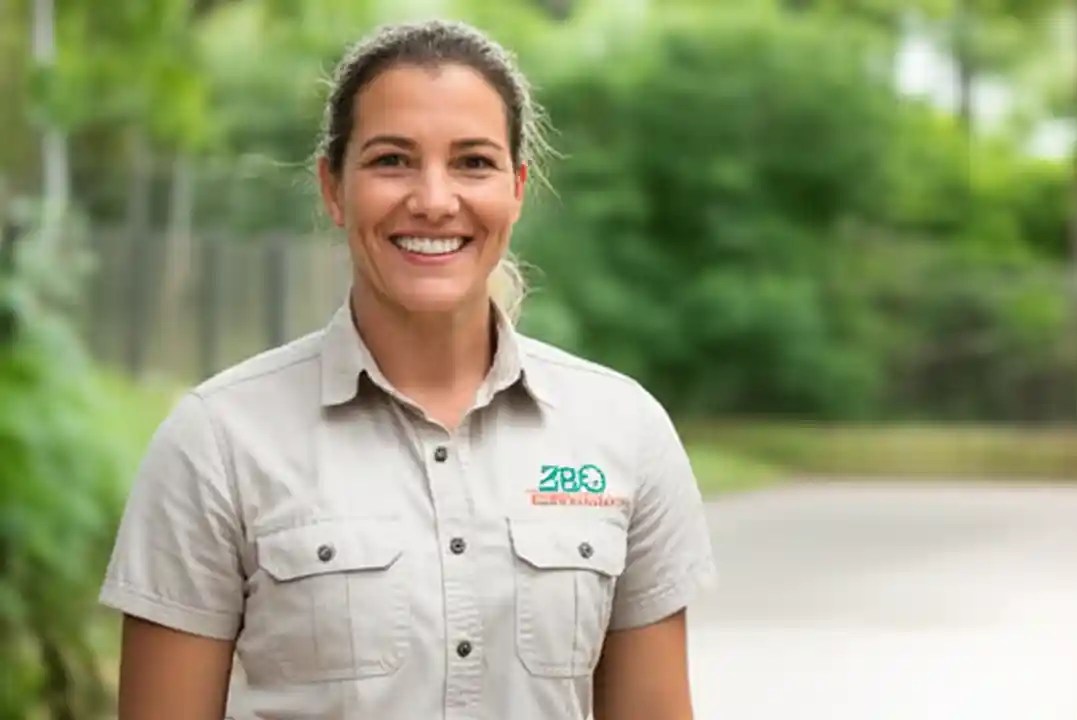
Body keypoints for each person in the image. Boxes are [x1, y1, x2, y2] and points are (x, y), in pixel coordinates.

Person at [98, 19, 717, 720]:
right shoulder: (218, 443)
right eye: (392, 160)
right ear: (334, 188)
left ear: (517, 188)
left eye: (472, 162)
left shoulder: (622, 433)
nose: (432, 198)